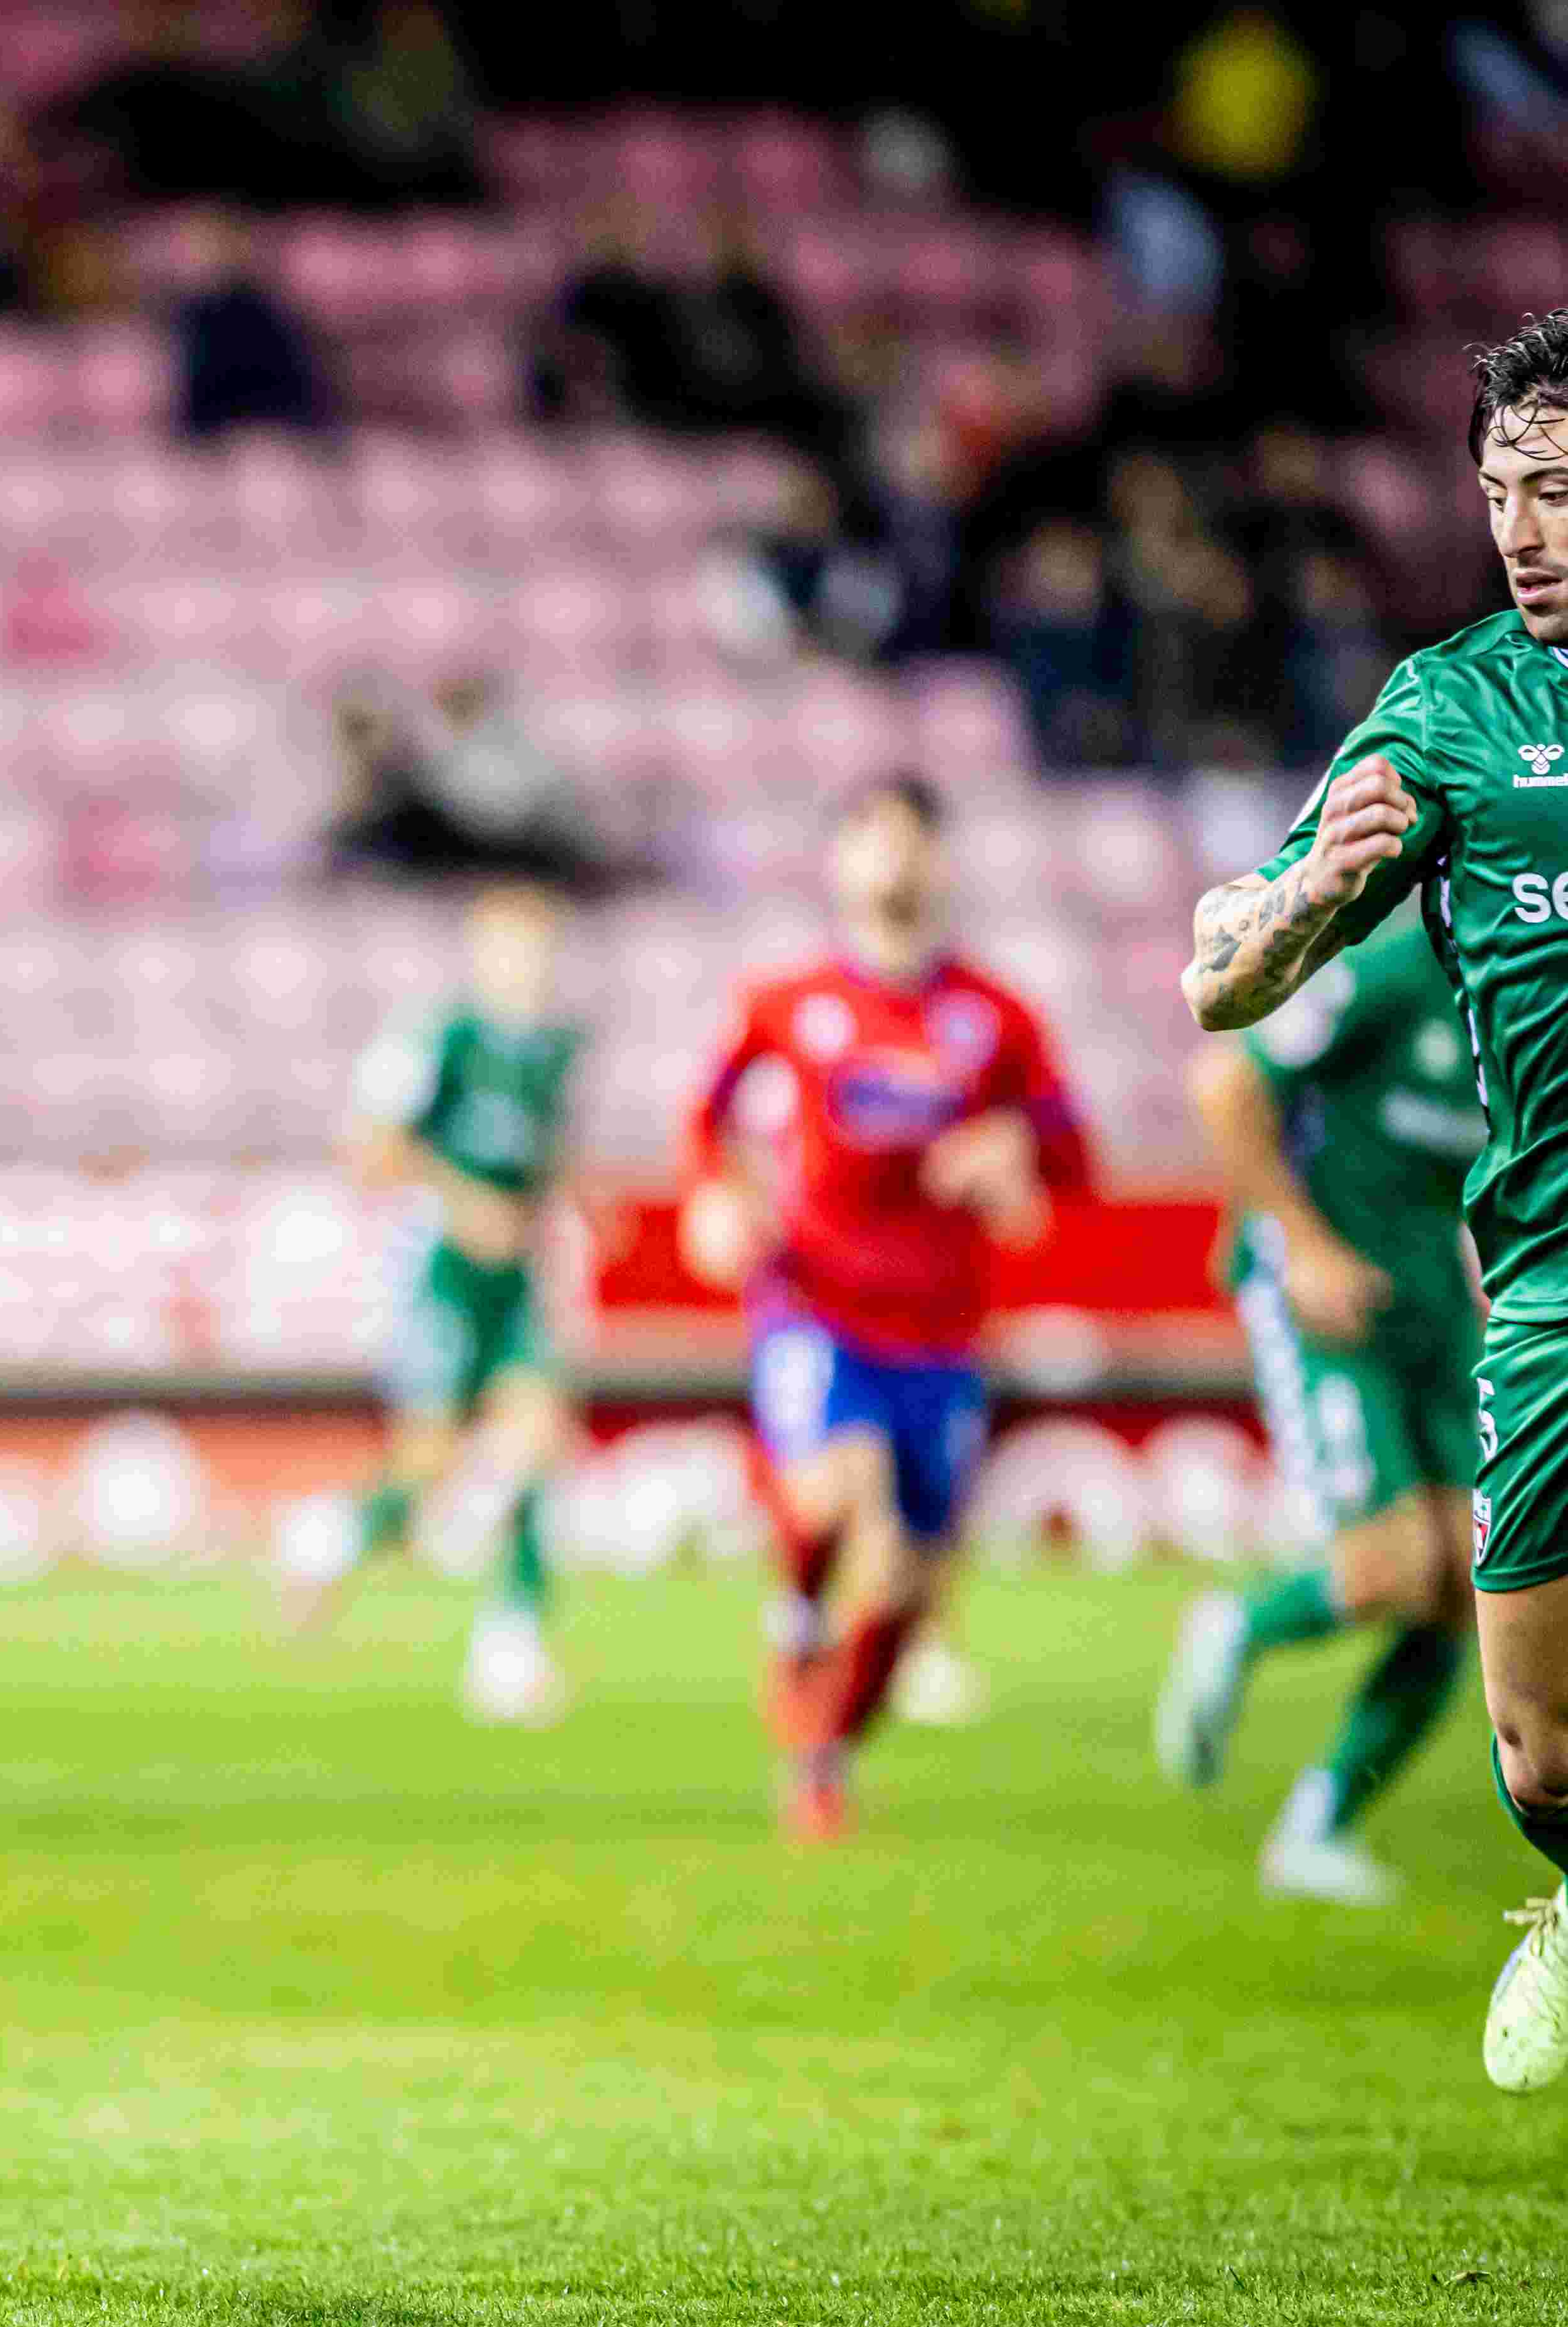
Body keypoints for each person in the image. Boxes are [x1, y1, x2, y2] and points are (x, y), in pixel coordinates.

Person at [1177, 313, 1568, 2088]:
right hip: (1535, 1279)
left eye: (1555, 488)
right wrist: (1300, 907)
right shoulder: (1448, 710)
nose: (1524, 527)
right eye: (1500, 491)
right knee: (1540, 1748)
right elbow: (1223, 992)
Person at [680, 775, 1096, 1841]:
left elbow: (1073, 1154)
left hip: (943, 1329)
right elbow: (705, 1115)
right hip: (816, 1305)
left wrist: (1013, 1155)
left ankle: (823, 1756)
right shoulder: (787, 1004)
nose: (895, 862)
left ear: (942, 862)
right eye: (873, 841)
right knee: (839, 1488)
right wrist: (720, 1198)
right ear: (840, 865)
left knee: (907, 1582)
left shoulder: (995, 1019)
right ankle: (797, 1613)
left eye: (914, 841)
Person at [1157, 917, 1482, 1905]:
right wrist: (1299, 1242)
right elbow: (1225, 1084)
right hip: (1325, 1296)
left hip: (1438, 1303)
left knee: (1476, 1585)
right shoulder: (1396, 971)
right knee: (1390, 1568)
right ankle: (1238, 1627)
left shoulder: (1526, 995)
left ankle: (1317, 1827)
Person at [282, 880, 585, 1721]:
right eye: (513, 948)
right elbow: (371, 1146)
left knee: (537, 1438)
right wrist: (464, 1203)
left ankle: (511, 1648)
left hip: (516, 1277)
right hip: (440, 1268)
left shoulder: (555, 1049)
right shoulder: (440, 1037)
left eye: (541, 951)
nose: (530, 968)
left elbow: (541, 1157)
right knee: (432, 1462)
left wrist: (560, 1211)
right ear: (483, 953)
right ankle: (335, 1535)